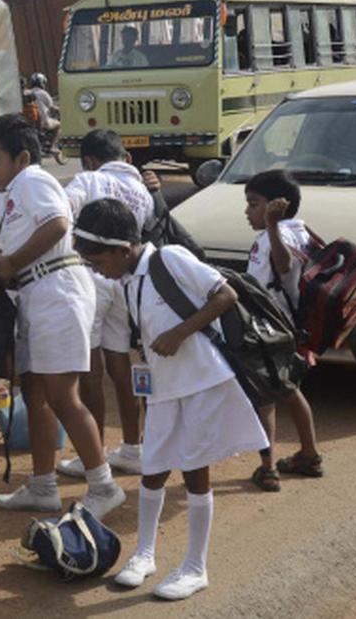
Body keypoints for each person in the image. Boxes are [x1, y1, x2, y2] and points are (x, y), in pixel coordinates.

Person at [73, 198, 268, 600]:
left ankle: (196, 566)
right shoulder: (129, 279)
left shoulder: (170, 258)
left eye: (98, 261)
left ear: (121, 249)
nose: (97, 270)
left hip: (199, 381)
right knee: (153, 467)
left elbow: (225, 295)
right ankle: (145, 554)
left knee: (194, 470)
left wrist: (180, 333)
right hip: (164, 388)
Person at [0, 114, 126, 518]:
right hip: (36, 293)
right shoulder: (9, 192)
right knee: (36, 394)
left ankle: (104, 486)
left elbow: (58, 225)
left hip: (56, 290)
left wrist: (10, 263)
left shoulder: (33, 180)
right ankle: (43, 486)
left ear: (22, 158)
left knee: (62, 395)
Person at [56, 129, 155, 478]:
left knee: (90, 369)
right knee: (120, 363)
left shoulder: (88, 179)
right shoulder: (142, 190)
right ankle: (132, 447)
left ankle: (92, 454)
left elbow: (61, 210)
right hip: (123, 278)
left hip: (92, 276)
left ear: (90, 160)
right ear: (124, 156)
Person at [243, 170, 324, 492]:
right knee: (290, 390)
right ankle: (309, 455)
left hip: (268, 327)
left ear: (277, 205)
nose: (247, 212)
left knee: (265, 399)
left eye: (253, 204)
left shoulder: (271, 236)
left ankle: (268, 469)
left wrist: (272, 225)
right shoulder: (302, 231)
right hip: (291, 324)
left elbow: (283, 265)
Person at [24, 73, 64, 164]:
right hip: (44, 121)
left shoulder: (28, 93)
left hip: (32, 121)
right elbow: (52, 107)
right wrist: (61, 110)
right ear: (42, 82)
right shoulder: (43, 93)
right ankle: (52, 146)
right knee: (59, 125)